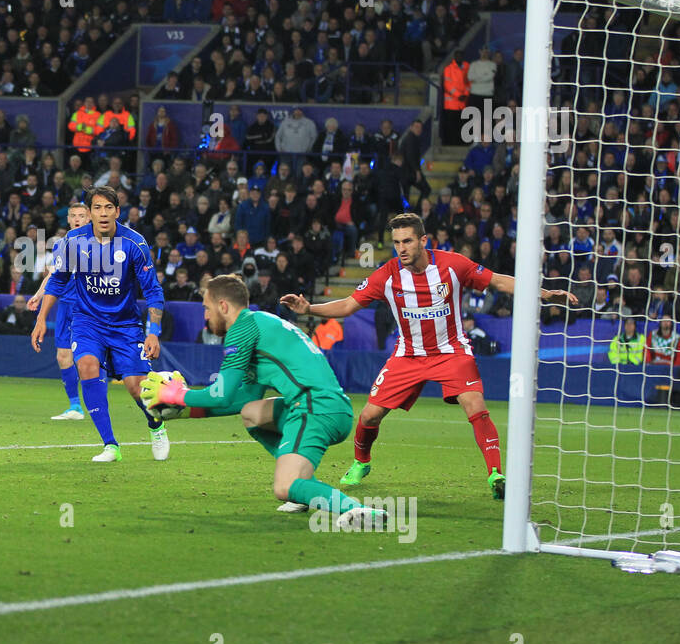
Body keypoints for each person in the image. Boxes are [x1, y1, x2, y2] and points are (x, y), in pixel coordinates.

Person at [281, 212, 576, 500]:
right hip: (408, 355)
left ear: (423, 240)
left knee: (475, 405)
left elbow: (498, 281)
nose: (401, 249)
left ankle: (496, 474)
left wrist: (545, 294)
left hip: (451, 351)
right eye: (397, 242)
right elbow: (348, 305)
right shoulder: (386, 275)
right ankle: (361, 462)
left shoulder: (453, 265)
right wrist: (309, 309)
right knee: (370, 415)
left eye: (407, 241)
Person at [141, 275, 384, 527]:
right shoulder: (259, 323)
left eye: (206, 308)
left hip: (314, 408)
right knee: (252, 413)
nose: (205, 316)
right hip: (329, 407)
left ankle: (356, 509)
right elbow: (239, 400)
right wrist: (185, 412)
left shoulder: (241, 330)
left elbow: (219, 394)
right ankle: (302, 488)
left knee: (284, 486)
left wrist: (175, 394)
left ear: (223, 306)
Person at [31, 186, 168, 463]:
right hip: (87, 321)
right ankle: (110, 445)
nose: (103, 213)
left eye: (108, 208)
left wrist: (153, 332)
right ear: (89, 212)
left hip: (126, 324)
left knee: (135, 386)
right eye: (97, 208)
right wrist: (41, 318)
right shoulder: (73, 241)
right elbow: (57, 281)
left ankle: (156, 426)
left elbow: (153, 291)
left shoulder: (135, 243)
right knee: (86, 366)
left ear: (117, 212)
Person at [28, 203, 90, 419]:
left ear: (89, 218)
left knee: (87, 358)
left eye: (82, 215)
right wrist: (38, 294)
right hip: (66, 305)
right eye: (73, 215)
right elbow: (54, 276)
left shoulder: (99, 243)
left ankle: (97, 403)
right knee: (63, 355)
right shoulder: (61, 245)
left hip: (88, 307)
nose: (77, 219)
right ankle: (75, 407)